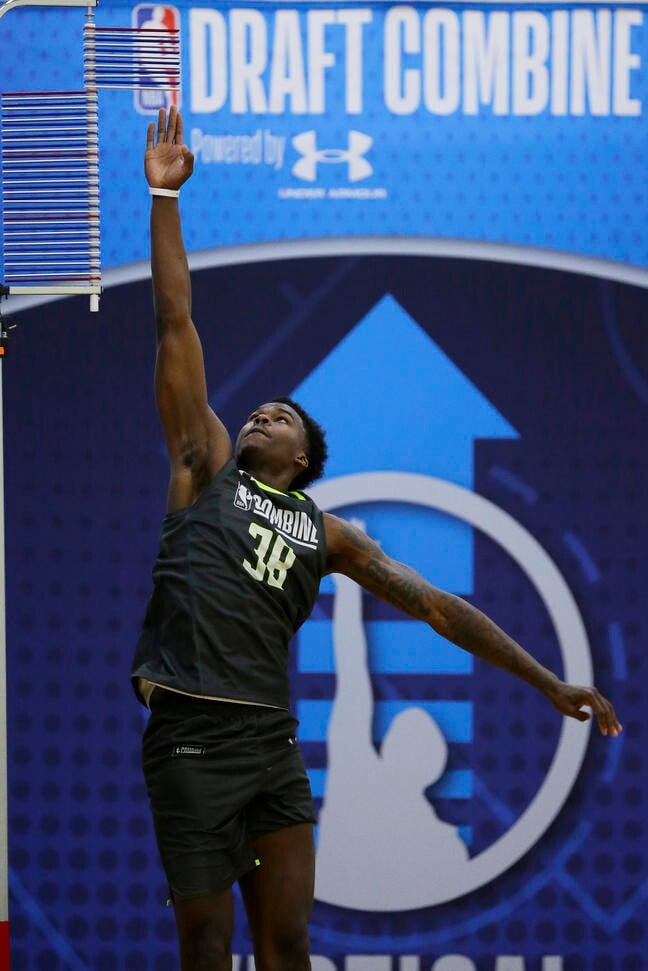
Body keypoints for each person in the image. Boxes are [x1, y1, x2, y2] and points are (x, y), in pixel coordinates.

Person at [132, 106, 622, 971]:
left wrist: (550, 683)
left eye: (280, 415)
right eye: (258, 407)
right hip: (190, 736)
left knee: (287, 941)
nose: (261, 411)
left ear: (304, 456)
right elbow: (176, 322)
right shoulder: (204, 465)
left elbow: (439, 607)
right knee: (205, 945)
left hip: (271, 746)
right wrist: (163, 198)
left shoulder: (328, 531)